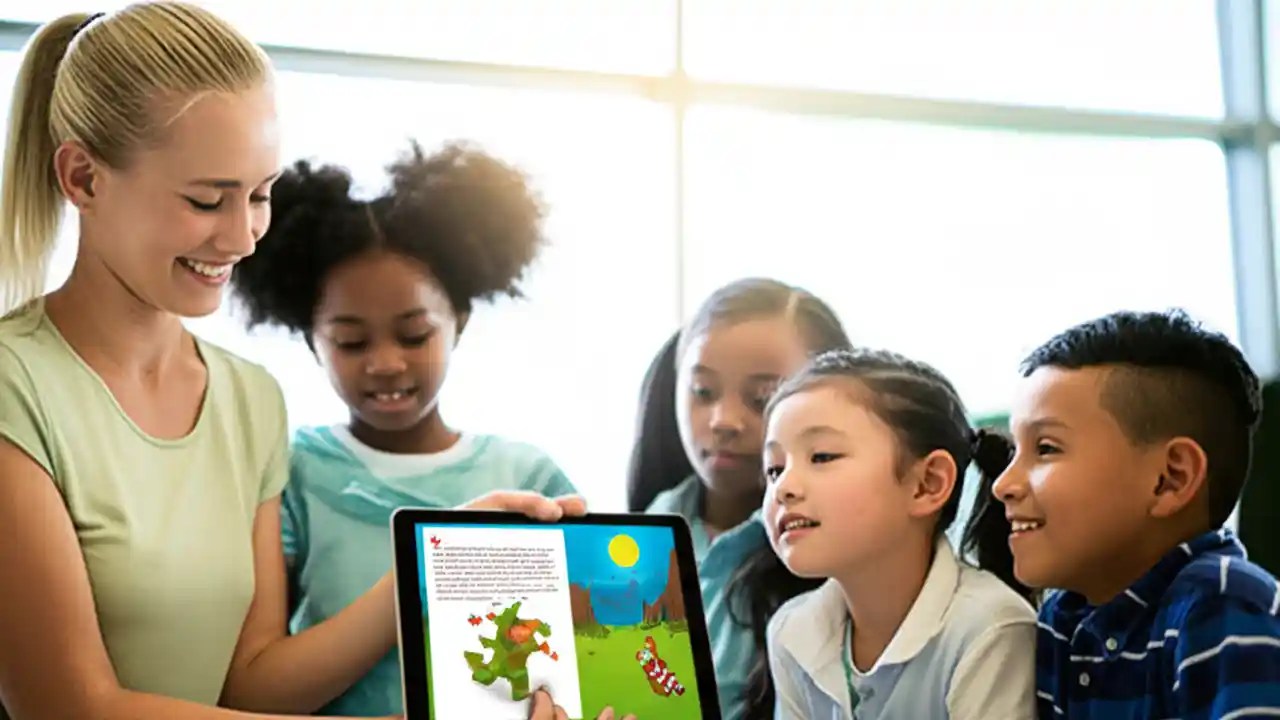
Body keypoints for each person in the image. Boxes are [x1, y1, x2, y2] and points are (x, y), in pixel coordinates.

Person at [0, 6, 581, 720]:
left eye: (259, 195)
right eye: (206, 200)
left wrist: (427, 566)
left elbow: (250, 685)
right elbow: (67, 706)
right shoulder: (15, 386)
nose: (243, 236)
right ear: (83, 178)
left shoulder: (249, 400)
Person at [228, 142, 576, 715]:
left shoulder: (527, 479)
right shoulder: (292, 474)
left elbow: (570, 671)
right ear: (312, 340)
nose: (386, 363)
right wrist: (431, 567)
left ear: (458, 322)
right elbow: (254, 694)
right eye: (351, 342)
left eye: (414, 336)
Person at [993, 310, 1280, 719]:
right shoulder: (1062, 621)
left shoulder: (1223, 604)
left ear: (1170, 479)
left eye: (1046, 449)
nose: (1002, 484)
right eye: (1013, 451)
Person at [761, 348, 1037, 719]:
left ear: (927, 484)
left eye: (822, 456)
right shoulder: (791, 631)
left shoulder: (989, 629)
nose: (783, 488)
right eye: (775, 469)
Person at [631, 277, 851, 719]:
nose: (723, 421)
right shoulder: (646, 531)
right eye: (703, 392)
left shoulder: (842, 564)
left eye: (762, 398)